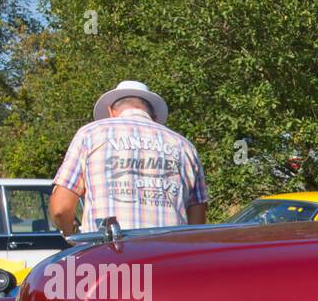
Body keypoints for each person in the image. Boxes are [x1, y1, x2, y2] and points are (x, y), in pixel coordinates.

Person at [50, 80, 207, 236]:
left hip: (108, 248)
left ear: (111, 111)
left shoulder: (90, 135)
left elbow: (60, 209)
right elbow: (197, 224)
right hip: (168, 249)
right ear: (154, 116)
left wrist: (72, 235)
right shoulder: (185, 147)